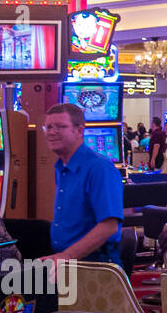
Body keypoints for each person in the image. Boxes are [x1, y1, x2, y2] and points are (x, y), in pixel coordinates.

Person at [40, 102, 124, 265]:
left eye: (60, 127)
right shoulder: (61, 166)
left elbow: (109, 226)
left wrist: (68, 255)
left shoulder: (99, 168)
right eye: (48, 127)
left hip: (96, 264)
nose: (52, 132)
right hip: (69, 261)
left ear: (79, 130)